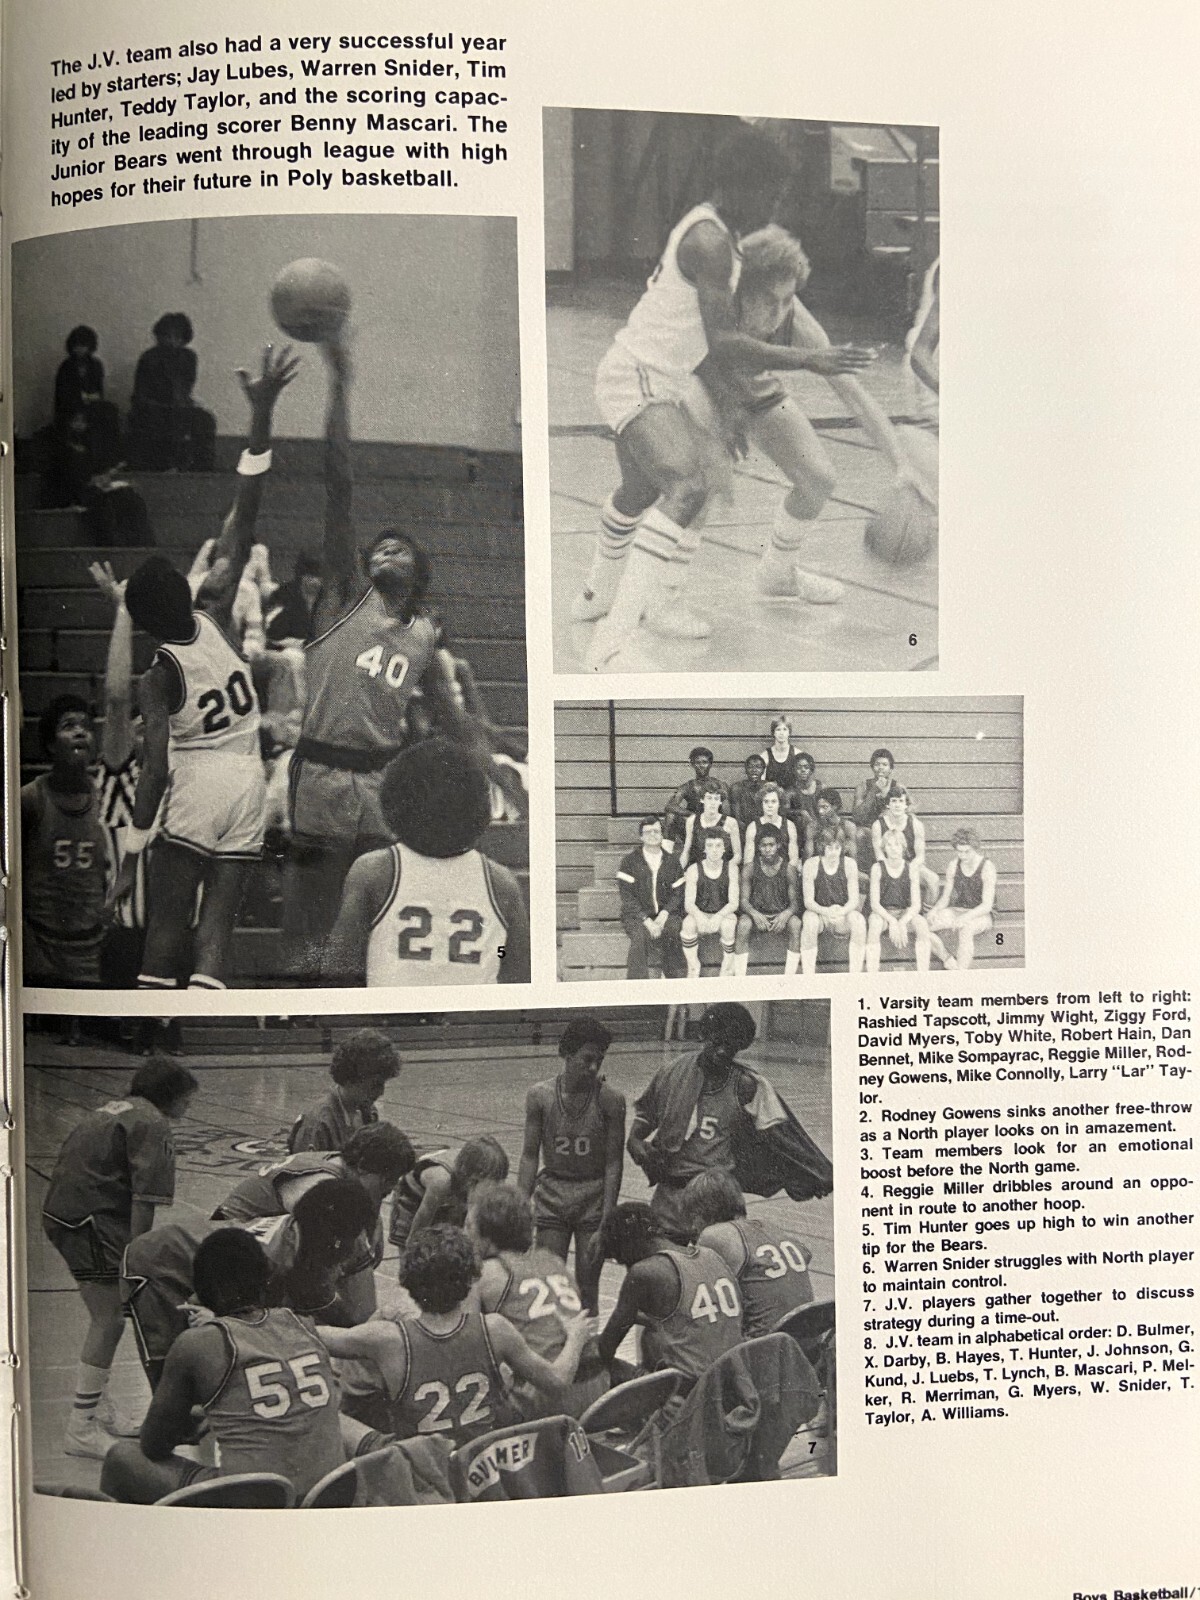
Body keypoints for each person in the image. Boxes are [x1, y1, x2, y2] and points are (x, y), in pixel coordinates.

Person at [576, 129, 875, 668]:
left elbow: (708, 351)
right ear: (743, 185)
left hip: (661, 378)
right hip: (638, 376)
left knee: (647, 487)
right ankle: (614, 638)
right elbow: (724, 343)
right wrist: (810, 360)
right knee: (688, 485)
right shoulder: (711, 243)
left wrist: (728, 410)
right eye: (770, 192)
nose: (773, 206)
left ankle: (599, 592)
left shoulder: (725, 238)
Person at [112, 343, 299, 992]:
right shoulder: (217, 609)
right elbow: (247, 503)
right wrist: (262, 412)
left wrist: (134, 847)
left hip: (196, 783)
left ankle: (156, 1032)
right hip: (247, 778)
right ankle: (201, 1013)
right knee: (215, 925)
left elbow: (157, 766)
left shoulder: (156, 674)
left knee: (168, 917)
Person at [281, 330, 466, 978]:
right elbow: (339, 485)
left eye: (398, 548)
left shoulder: (426, 632)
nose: (383, 551)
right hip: (324, 772)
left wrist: (480, 764)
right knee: (314, 895)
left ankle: (364, 989)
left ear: (419, 568)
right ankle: (301, 993)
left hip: (381, 778)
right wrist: (339, 384)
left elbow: (446, 715)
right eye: (376, 548)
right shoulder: (341, 599)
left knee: (375, 900)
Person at [696, 225, 922, 604]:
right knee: (702, 482)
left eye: (788, 300)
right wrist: (721, 421)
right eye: (769, 300)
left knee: (818, 477)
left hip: (752, 381)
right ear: (742, 288)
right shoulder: (714, 304)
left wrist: (901, 464)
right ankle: (660, 591)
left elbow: (852, 392)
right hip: (699, 381)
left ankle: (777, 573)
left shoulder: (795, 319)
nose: (778, 312)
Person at [101, 1229, 346, 1502]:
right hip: (323, 1493)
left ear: (200, 1288)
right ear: (265, 1279)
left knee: (121, 1458)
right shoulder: (303, 1323)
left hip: (255, 1500)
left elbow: (154, 1444)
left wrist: (195, 1413)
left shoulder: (196, 1343)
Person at [41, 1058, 197, 1458]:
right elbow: (144, 1203)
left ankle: (98, 1409)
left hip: (67, 1213)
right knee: (108, 1320)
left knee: (106, 1317)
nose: (188, 1108)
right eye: (187, 1099)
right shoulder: (153, 1123)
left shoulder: (114, 1109)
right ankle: (82, 1425)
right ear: (174, 1096)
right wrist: (134, 1263)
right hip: (90, 1219)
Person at [322, 1224, 596, 1446]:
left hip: (427, 1469)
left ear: (407, 1280)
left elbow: (314, 1335)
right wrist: (576, 1336)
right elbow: (559, 1381)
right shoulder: (495, 1329)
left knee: (341, 1413)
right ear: (469, 1281)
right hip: (483, 1465)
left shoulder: (386, 1338)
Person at [121, 1178, 377, 1389]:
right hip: (159, 1264)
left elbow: (332, 1314)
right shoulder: (272, 1260)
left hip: (204, 1263)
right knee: (177, 1374)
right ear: (331, 1238)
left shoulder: (300, 1235)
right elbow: (238, 1324)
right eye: (349, 1242)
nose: (347, 1258)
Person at [322, 737, 529, 987]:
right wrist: (493, 956)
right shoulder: (500, 882)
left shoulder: (374, 871)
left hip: (392, 1021)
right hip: (469, 1021)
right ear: (478, 806)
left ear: (395, 801)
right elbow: (513, 968)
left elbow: (339, 970)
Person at [469, 1182, 609, 1417]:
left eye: (470, 1225)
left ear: (487, 1232)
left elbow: (467, 1346)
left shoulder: (488, 1273)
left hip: (549, 1396)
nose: (466, 1234)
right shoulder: (552, 1260)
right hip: (598, 1388)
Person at [517, 1017, 625, 1313]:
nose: (593, 1068)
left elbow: (614, 1163)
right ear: (567, 1053)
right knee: (549, 1283)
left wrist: (607, 1218)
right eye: (587, 1059)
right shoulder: (540, 1096)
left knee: (588, 1286)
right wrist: (519, 1204)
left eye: (599, 1061)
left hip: (593, 1196)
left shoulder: (611, 1100)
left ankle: (589, 1353)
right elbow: (529, 1156)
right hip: (553, 1195)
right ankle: (551, 1351)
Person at [596, 1203, 744, 1384]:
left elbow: (605, 1348)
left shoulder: (644, 1272)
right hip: (735, 1379)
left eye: (621, 1258)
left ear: (627, 1246)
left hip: (692, 1392)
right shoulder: (710, 1254)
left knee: (589, 1363)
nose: (625, 1266)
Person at [20, 694, 108, 987]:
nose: (80, 732)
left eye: (86, 726)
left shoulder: (105, 800)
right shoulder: (30, 800)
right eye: (69, 726)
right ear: (50, 744)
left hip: (91, 948)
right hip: (40, 945)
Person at [681, 1170, 814, 1337]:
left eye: (693, 1217)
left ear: (702, 1211)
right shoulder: (770, 1227)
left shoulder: (714, 1235)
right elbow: (806, 1255)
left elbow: (693, 1298)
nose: (693, 1227)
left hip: (762, 1347)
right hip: (808, 1339)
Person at [387, 1136, 510, 1259]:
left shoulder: (472, 1177)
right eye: (493, 1183)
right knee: (413, 1251)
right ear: (473, 1180)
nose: (494, 1190)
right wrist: (412, 1251)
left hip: (447, 1199)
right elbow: (422, 1218)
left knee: (451, 1244)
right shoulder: (441, 1181)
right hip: (411, 1201)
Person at [287, 1027, 401, 1154]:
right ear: (351, 1078)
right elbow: (302, 1171)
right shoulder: (318, 1123)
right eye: (374, 1085)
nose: (381, 1092)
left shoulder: (368, 1112)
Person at [127, 312, 216, 472]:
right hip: (153, 405)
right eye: (167, 336)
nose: (172, 341)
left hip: (178, 405)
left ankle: (201, 467)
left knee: (205, 419)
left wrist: (182, 401)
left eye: (176, 337)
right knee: (161, 419)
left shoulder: (188, 357)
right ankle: (164, 463)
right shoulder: (149, 358)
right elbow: (141, 391)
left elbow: (186, 385)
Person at [615, 816, 686, 980]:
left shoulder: (672, 861)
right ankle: (638, 989)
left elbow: (678, 893)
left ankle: (675, 987)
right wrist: (646, 920)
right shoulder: (630, 861)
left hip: (666, 914)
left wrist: (664, 914)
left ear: (662, 835)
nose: (653, 835)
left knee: (673, 931)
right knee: (640, 937)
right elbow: (627, 897)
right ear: (641, 836)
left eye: (656, 831)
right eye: (648, 832)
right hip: (638, 916)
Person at [733, 826, 802, 976]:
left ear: (778, 845)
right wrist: (754, 914)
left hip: (780, 914)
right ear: (758, 847)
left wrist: (786, 914)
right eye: (764, 845)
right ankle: (739, 978)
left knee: (796, 923)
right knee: (743, 924)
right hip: (757, 914)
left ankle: (789, 978)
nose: (768, 849)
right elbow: (743, 900)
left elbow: (795, 902)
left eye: (771, 845)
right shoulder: (750, 868)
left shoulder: (789, 869)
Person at [926, 827, 997, 970]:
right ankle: (947, 958)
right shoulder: (953, 865)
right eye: (959, 851)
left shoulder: (987, 867)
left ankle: (961, 973)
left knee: (966, 929)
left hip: (981, 914)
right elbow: (945, 898)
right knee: (923, 927)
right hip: (958, 909)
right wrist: (934, 910)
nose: (963, 856)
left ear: (975, 848)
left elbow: (986, 905)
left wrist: (965, 918)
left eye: (967, 852)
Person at [800, 825, 867, 974]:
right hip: (819, 913)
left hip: (842, 914)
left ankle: (855, 975)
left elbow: (854, 899)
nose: (833, 852)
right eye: (829, 847)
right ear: (821, 846)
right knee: (809, 921)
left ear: (842, 847)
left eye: (837, 847)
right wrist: (826, 911)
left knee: (859, 921)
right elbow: (808, 902)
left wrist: (842, 911)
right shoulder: (811, 864)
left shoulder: (849, 864)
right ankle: (808, 975)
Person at [867, 823, 933, 973]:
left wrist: (902, 922)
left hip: (904, 912)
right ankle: (872, 973)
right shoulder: (877, 868)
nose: (893, 849)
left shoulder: (911, 869)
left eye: (897, 845)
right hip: (883, 913)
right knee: (875, 924)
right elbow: (875, 904)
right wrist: (892, 921)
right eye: (889, 845)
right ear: (884, 848)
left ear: (903, 847)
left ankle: (923, 973)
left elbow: (916, 905)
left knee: (921, 923)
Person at [681, 833, 740, 978]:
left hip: (723, 913)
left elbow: (733, 903)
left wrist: (718, 917)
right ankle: (694, 967)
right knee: (688, 923)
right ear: (704, 849)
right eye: (710, 846)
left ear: (724, 849)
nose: (714, 850)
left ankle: (726, 969)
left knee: (728, 924)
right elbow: (689, 903)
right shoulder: (694, 869)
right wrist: (700, 917)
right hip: (701, 912)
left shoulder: (731, 868)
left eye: (718, 845)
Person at [869, 787, 940, 904]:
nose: (897, 805)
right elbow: (879, 855)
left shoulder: (916, 824)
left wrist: (908, 869)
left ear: (906, 805)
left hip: (911, 864)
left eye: (901, 801)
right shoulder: (878, 825)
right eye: (894, 801)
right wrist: (891, 869)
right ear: (888, 804)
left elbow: (920, 857)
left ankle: (927, 912)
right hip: (888, 864)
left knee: (933, 879)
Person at [662, 747, 726, 847]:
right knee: (671, 816)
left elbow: (728, 811)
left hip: (715, 827)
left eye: (704, 762)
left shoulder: (719, 784)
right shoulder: (687, 786)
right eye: (697, 762)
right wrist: (693, 815)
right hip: (694, 828)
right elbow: (670, 806)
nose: (701, 766)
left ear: (710, 764)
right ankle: (667, 852)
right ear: (692, 764)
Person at [850, 747, 904, 851]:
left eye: (885, 765)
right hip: (869, 829)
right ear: (872, 767)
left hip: (892, 829)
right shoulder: (863, 786)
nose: (880, 768)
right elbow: (857, 816)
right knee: (860, 834)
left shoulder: (898, 787)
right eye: (877, 764)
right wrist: (873, 791)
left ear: (891, 769)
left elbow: (909, 812)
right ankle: (865, 868)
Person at [681, 780, 741, 868]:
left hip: (722, 868)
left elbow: (737, 855)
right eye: (709, 798)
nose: (713, 803)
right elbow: (686, 852)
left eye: (716, 798)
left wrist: (725, 870)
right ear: (702, 799)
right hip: (699, 869)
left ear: (720, 801)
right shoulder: (692, 821)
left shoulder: (730, 822)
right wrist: (679, 872)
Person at [743, 782, 800, 866]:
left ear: (779, 803)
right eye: (766, 801)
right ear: (761, 803)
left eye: (773, 801)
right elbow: (748, 860)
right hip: (760, 873)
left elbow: (793, 859)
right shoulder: (753, 827)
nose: (769, 805)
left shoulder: (789, 825)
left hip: (783, 872)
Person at [727, 753, 767, 833]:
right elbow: (737, 817)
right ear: (745, 769)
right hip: (743, 829)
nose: (754, 770)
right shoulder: (737, 788)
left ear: (763, 770)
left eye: (758, 767)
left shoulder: (767, 787)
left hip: (764, 828)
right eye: (750, 767)